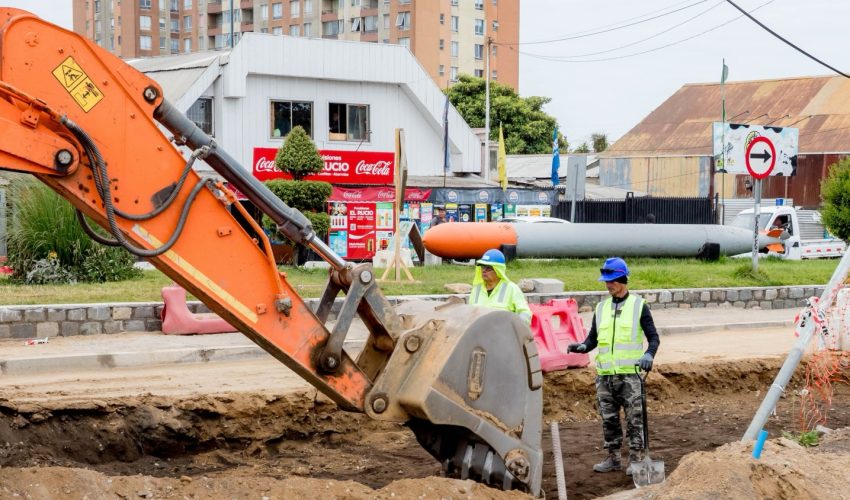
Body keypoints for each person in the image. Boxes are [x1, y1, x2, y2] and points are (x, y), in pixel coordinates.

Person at [567, 257, 660, 476]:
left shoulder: (639, 306)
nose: (608, 285)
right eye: (606, 281)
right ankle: (613, 458)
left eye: (613, 281)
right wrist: (583, 346)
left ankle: (637, 460)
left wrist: (649, 354)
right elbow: (593, 339)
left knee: (635, 420)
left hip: (630, 376)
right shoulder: (601, 308)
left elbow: (654, 338)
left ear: (623, 279)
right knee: (609, 420)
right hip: (605, 376)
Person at [468, 249, 532, 325]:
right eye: (482, 267)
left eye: (488, 268)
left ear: (498, 270)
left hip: (503, 334)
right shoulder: (476, 289)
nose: (484, 270)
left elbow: (525, 314)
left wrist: (514, 326)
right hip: (479, 334)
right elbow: (469, 314)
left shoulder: (512, 288)